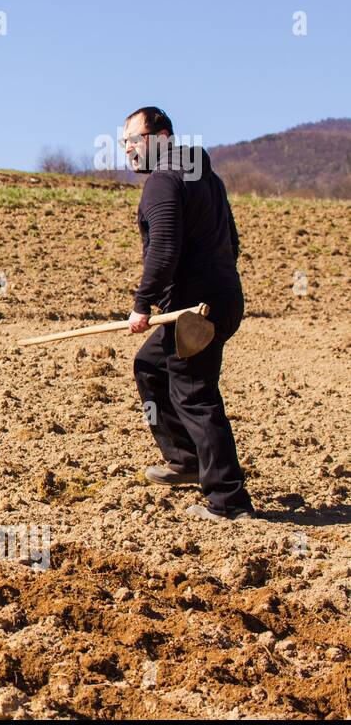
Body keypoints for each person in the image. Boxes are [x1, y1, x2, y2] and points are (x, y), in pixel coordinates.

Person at [123, 106, 253, 520]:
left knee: (195, 394)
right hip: (222, 297)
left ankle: (229, 501)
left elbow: (162, 249)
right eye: (123, 142)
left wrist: (142, 304)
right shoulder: (205, 176)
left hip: (194, 310)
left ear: (160, 137)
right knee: (150, 366)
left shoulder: (164, 180)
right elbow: (232, 240)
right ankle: (186, 460)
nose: (127, 149)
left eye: (133, 140)